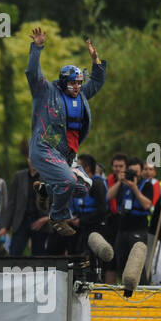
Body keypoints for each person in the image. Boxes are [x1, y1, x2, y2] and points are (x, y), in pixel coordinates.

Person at [26, 28, 105, 237]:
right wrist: (37, 47)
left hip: (66, 153)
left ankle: (46, 190)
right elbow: (33, 74)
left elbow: (96, 83)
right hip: (45, 146)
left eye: (79, 82)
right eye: (72, 82)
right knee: (68, 181)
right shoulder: (47, 92)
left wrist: (96, 61)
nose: (77, 86)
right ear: (62, 81)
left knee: (83, 187)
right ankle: (58, 217)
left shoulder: (81, 96)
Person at [110, 157, 157, 280]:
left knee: (137, 264)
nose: (133, 175)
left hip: (138, 229)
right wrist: (120, 181)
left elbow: (147, 204)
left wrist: (134, 187)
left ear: (141, 172)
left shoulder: (147, 185)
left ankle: (141, 288)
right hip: (122, 228)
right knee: (122, 261)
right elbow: (108, 196)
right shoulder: (122, 184)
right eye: (131, 172)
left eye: (136, 172)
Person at [7, 158, 48, 256]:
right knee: (14, 254)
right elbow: (12, 202)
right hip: (21, 220)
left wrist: (47, 218)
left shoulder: (48, 177)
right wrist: (5, 226)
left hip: (41, 221)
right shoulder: (19, 176)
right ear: (28, 160)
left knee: (39, 258)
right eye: (31, 157)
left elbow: (56, 201)